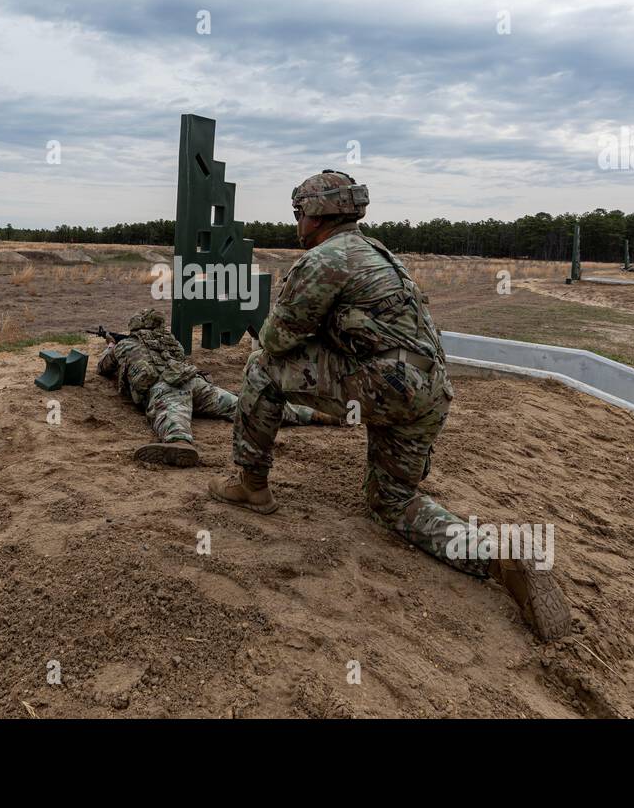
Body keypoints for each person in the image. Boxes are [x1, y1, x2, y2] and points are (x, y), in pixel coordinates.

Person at [206, 170, 571, 640]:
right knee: (393, 505)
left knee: (261, 367)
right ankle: (495, 557)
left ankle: (250, 484)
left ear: (316, 215)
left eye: (298, 212)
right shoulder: (380, 255)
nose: (296, 221)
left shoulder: (324, 261)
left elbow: (277, 339)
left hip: (385, 386)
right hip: (431, 391)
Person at [97, 308, 336, 467]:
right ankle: (312, 414)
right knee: (243, 404)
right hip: (196, 382)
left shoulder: (127, 345)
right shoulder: (169, 342)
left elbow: (103, 368)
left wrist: (111, 347)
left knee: (172, 414)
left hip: (166, 387)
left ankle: (178, 442)